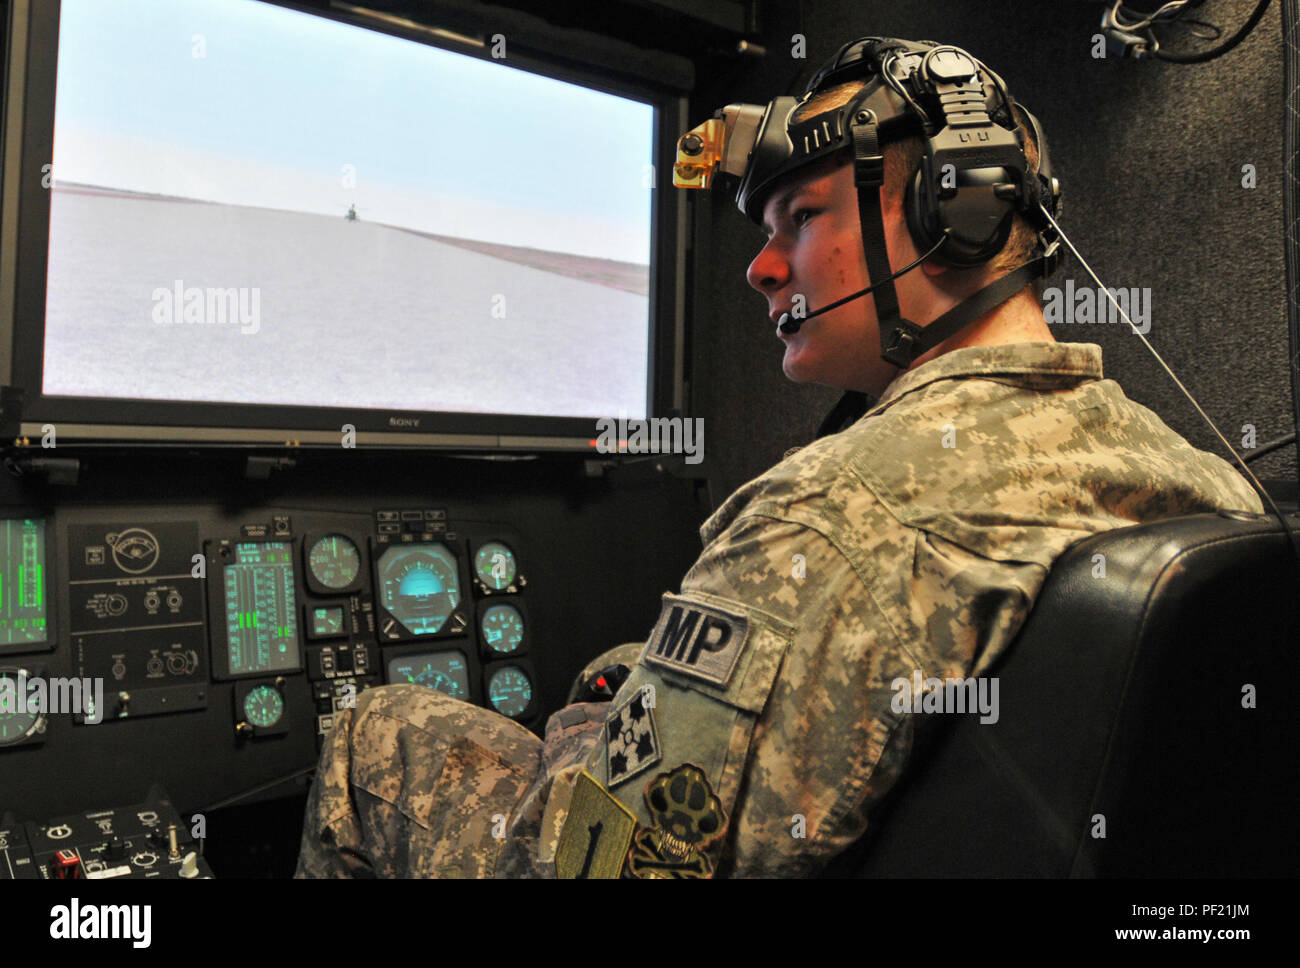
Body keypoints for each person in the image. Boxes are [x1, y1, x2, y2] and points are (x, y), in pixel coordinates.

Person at [295, 37, 1265, 879]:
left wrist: (583, 734)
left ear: (949, 208)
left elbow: (600, 858)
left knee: (368, 733)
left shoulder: (826, 517)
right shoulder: (1202, 479)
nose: (760, 269)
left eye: (800, 218)